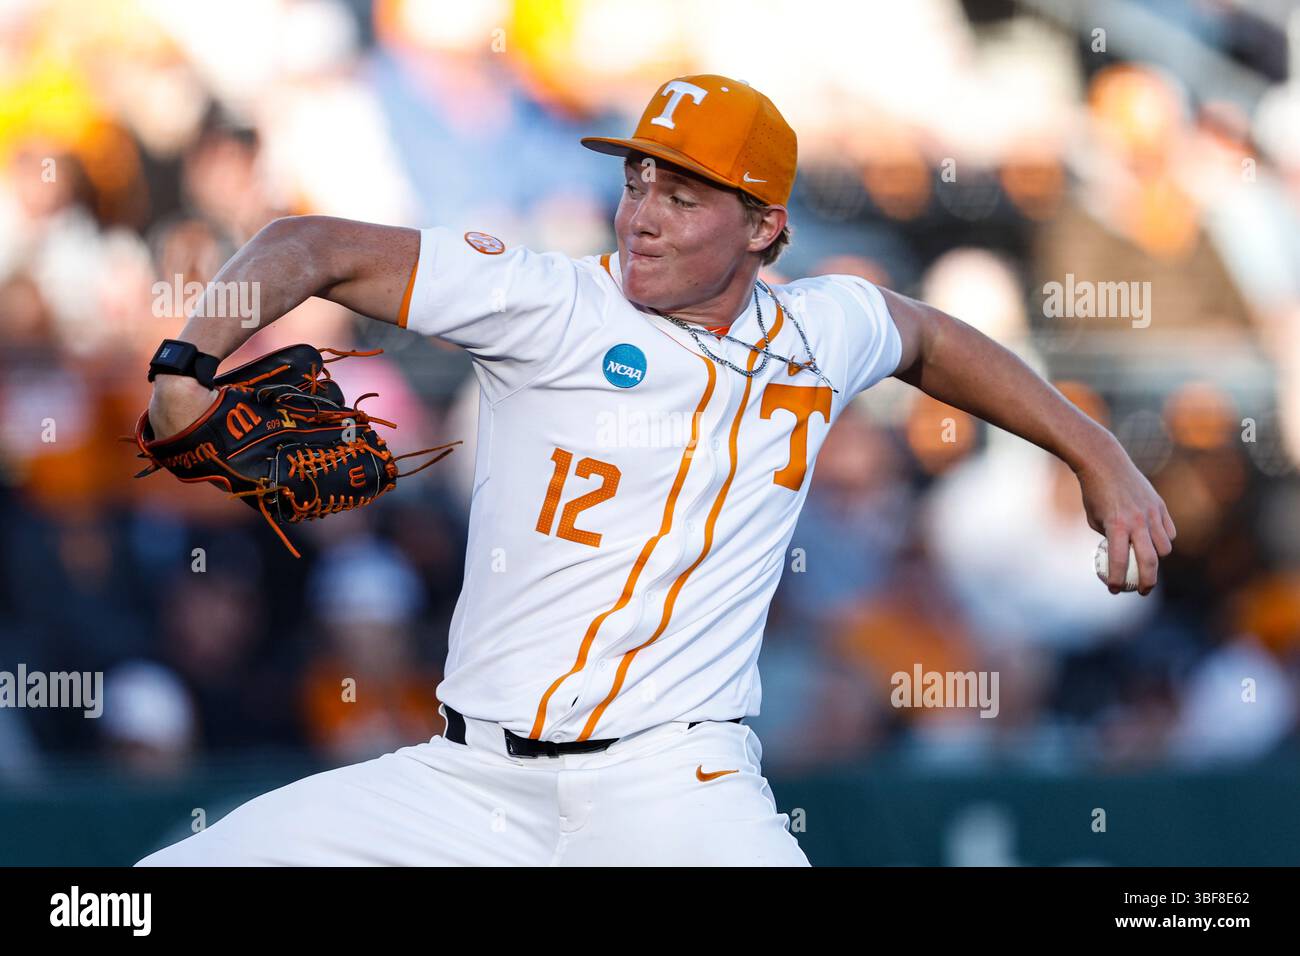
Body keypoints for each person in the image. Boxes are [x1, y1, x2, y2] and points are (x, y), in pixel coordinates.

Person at [137, 74, 1174, 866]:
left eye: (681, 193)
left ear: (766, 225)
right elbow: (308, 241)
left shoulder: (822, 330)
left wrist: (1100, 453)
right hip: (467, 779)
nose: (640, 211)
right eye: (635, 179)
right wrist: (187, 361)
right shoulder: (548, 302)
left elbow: (928, 339)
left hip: (675, 784)